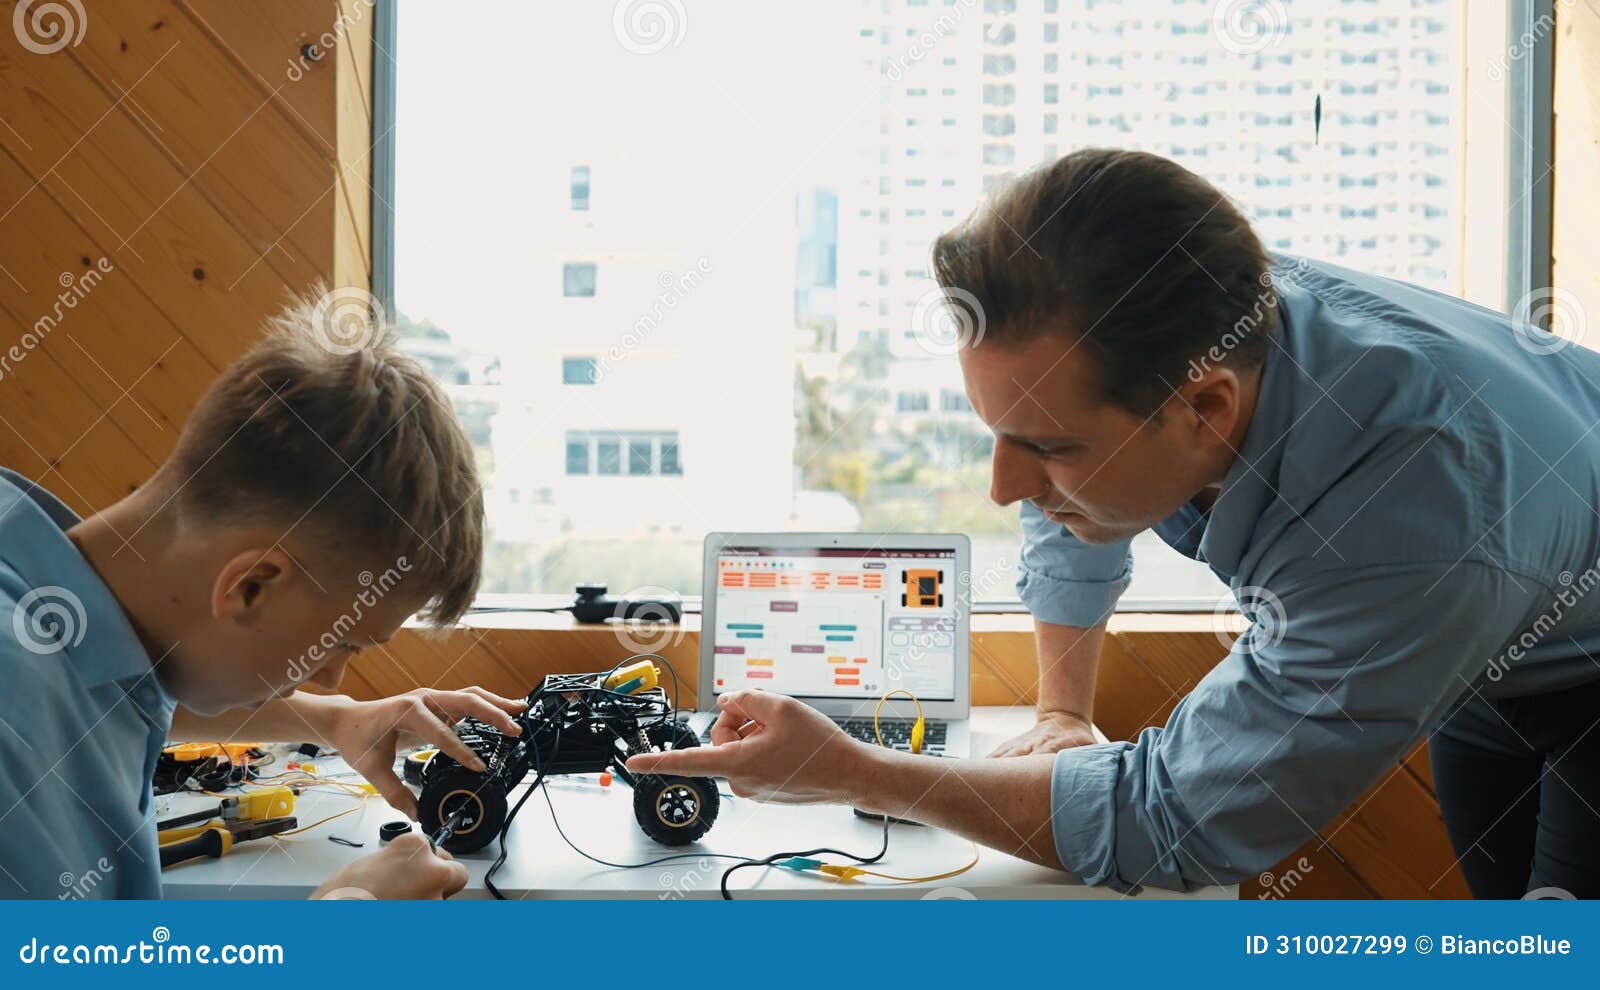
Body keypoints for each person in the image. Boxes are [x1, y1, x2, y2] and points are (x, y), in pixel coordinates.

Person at [629, 148, 1600, 898]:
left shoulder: (1409, 523)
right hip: (1501, 632)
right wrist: (1059, 709)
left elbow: (1180, 821)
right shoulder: (1180, 312)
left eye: (1044, 450)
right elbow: (1071, 490)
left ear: (1206, 410)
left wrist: (856, 771)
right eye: (1001, 436)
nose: (1003, 489)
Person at [0, 293, 523, 899]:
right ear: (251, 586)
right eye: (342, 642)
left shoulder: (70, 618)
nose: (329, 678)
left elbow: (115, 693)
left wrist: (338, 718)